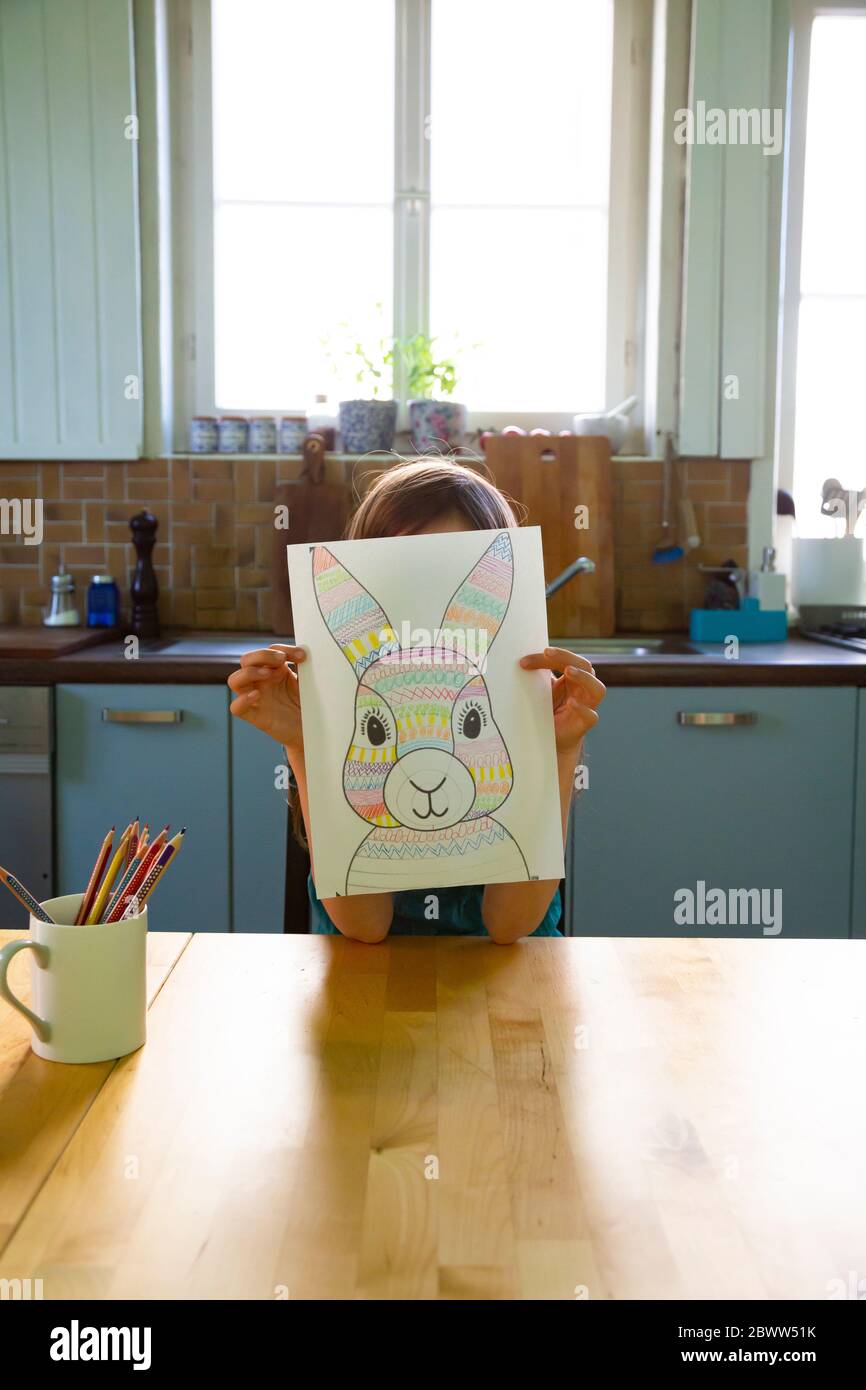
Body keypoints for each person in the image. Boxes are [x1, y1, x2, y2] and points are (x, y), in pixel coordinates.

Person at [227, 459, 605, 943]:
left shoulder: (507, 727)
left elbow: (511, 927)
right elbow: (364, 927)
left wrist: (556, 750)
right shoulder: (354, 728)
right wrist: (308, 743)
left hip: (509, 994)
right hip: (369, 988)